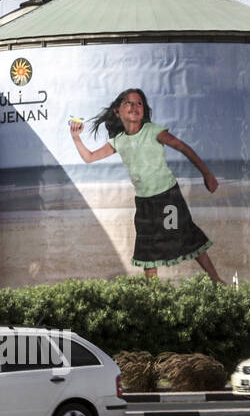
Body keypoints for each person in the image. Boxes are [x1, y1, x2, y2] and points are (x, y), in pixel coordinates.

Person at [70, 88, 223, 283]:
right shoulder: (118, 141)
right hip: (144, 202)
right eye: (129, 103)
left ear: (144, 110)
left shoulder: (154, 131)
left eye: (139, 103)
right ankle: (154, 292)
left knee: (185, 235)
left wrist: (207, 174)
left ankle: (216, 280)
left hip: (168, 196)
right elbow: (89, 157)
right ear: (117, 111)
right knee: (147, 245)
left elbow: (183, 148)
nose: (134, 106)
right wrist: (76, 138)